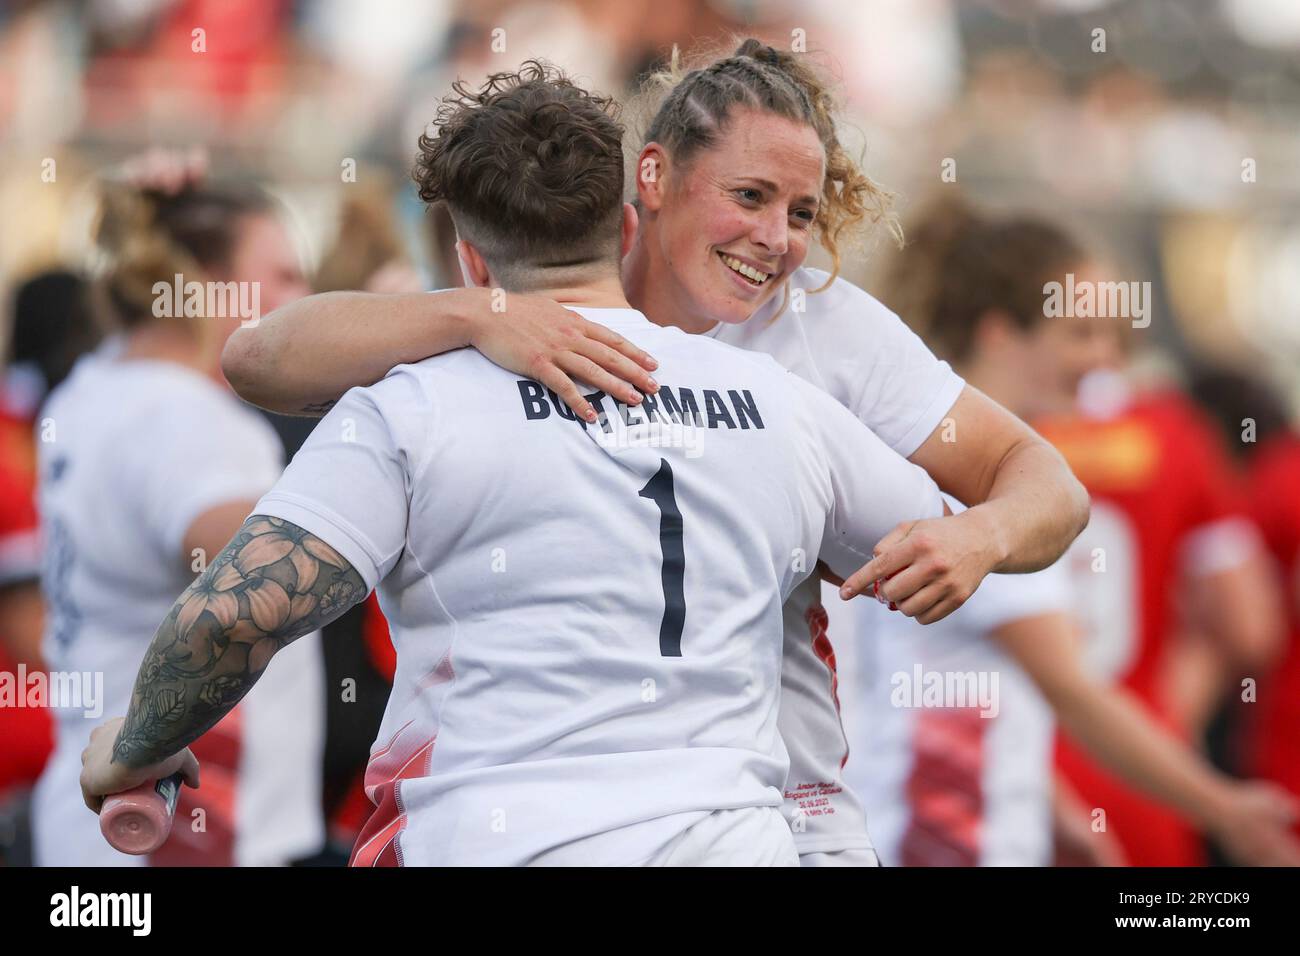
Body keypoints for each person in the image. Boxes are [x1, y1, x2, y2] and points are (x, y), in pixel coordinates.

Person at [219, 39, 1090, 865]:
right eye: (748, 198)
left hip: (786, 818)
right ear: (654, 175)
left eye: (801, 213)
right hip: (540, 819)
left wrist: (981, 540)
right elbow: (258, 358)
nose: (778, 240)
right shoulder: (527, 294)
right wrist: (475, 315)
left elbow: (1044, 483)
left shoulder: (827, 333)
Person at [866, 198, 1287, 866]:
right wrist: (1226, 809)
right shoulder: (972, 478)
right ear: (1001, 334)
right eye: (1082, 334)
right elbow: (1072, 687)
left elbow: (972, 683)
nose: (1104, 361)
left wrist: (1052, 805)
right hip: (939, 841)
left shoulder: (941, 454)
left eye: (1115, 338)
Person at [34, 175, 324, 866]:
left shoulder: (96, 383)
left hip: (96, 823)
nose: (306, 304)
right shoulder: (187, 419)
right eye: (281, 277)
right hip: (175, 835)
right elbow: (273, 584)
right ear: (209, 285)